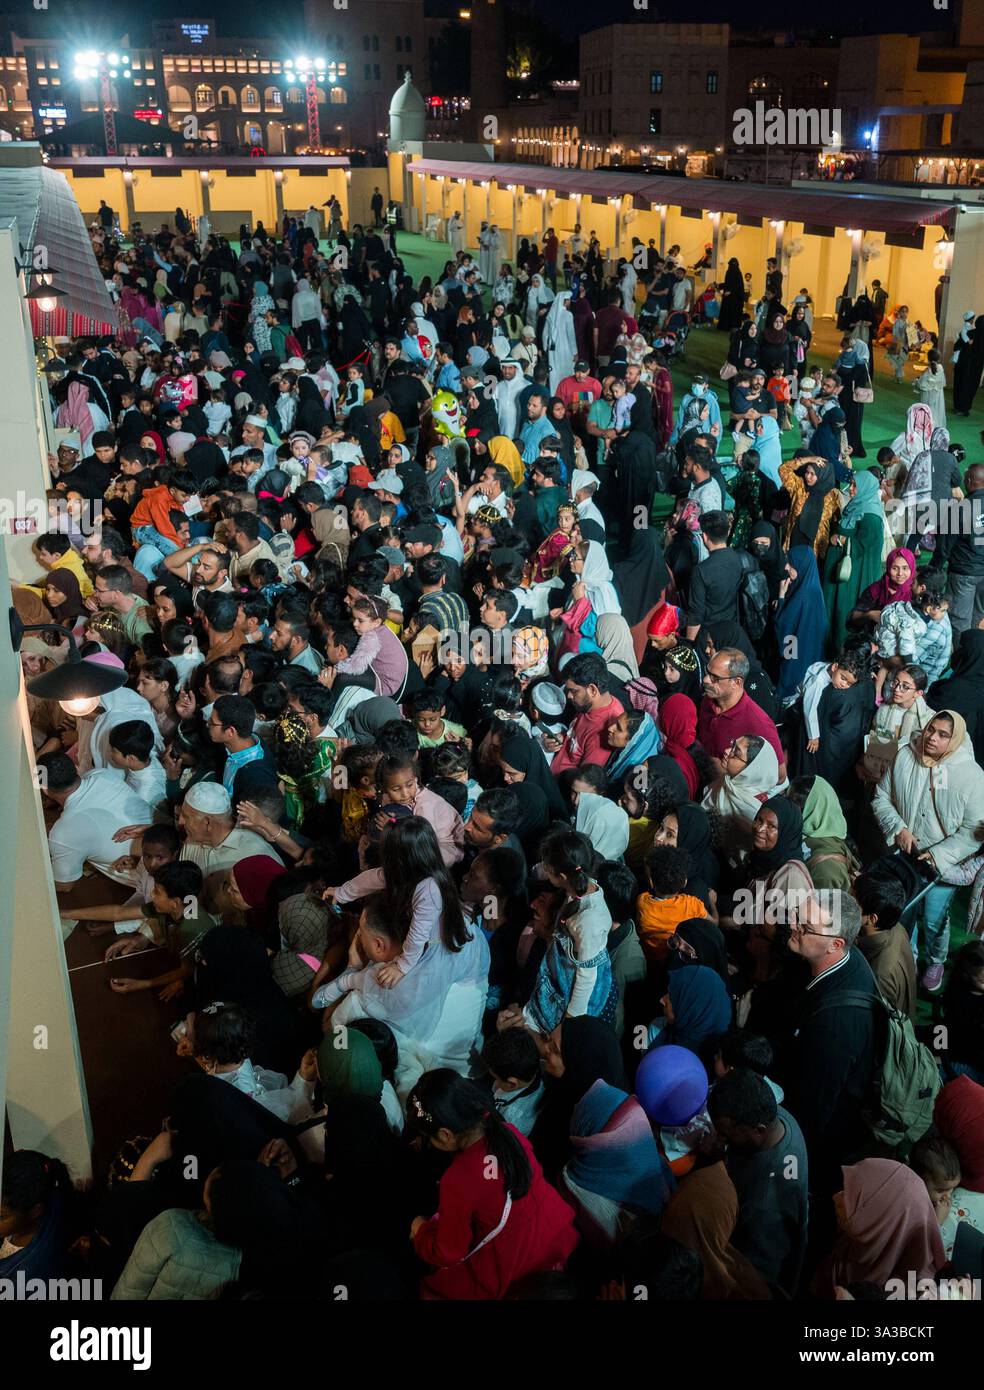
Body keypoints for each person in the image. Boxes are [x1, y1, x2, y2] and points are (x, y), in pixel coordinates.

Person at [408, 1070, 578, 1299]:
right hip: (551, 1236)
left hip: (515, 1263)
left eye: (429, 1136)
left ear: (446, 1134)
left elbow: (449, 1252)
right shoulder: (508, 1132)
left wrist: (420, 1232)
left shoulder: (459, 1180)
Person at [872, 711, 984, 992]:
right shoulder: (905, 755)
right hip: (904, 855)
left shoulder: (971, 776)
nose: (932, 737)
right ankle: (910, 956)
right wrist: (899, 828)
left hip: (941, 868)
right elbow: (882, 796)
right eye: (930, 729)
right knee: (905, 912)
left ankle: (936, 960)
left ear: (955, 739)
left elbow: (974, 831)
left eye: (942, 734)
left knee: (935, 919)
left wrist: (938, 855)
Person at [707, 1068, 809, 1296]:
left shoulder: (764, 1207)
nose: (720, 1139)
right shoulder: (779, 1118)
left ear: (759, 1130)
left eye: (725, 1134)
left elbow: (757, 1282)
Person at [815, 1159, 944, 1297]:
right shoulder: (881, 1238)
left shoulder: (910, 1292)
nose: (836, 1198)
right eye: (846, 1192)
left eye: (857, 1203)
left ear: (884, 1224)